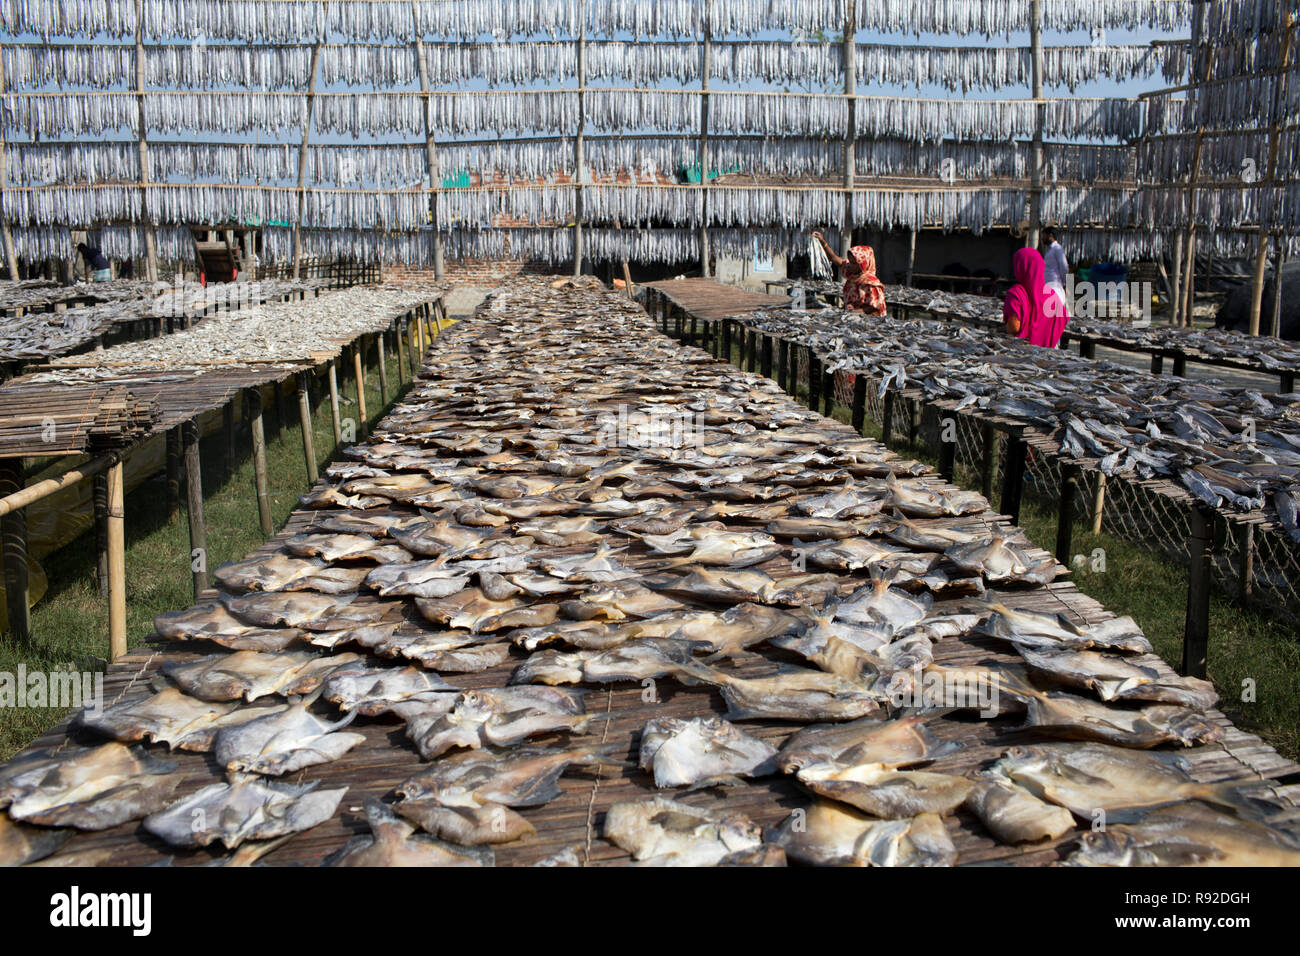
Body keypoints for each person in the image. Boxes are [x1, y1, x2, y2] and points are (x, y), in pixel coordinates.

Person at [1004, 247, 1069, 348]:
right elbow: (1063, 318)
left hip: (1021, 354)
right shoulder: (1051, 294)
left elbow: (1014, 327)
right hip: (1047, 354)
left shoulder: (1016, 293)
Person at [810, 231, 886, 316]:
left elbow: (874, 309)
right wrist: (822, 241)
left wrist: (855, 310)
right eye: (849, 261)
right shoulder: (853, 274)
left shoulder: (871, 284)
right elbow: (834, 258)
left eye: (853, 263)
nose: (849, 265)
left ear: (863, 265)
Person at [1039, 226, 1070, 315]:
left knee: (1055, 313)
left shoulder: (1057, 249)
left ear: (1050, 236)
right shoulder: (1049, 250)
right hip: (1048, 285)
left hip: (1055, 285)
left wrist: (1064, 283)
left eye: (1044, 235)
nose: (1042, 238)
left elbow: (1064, 267)